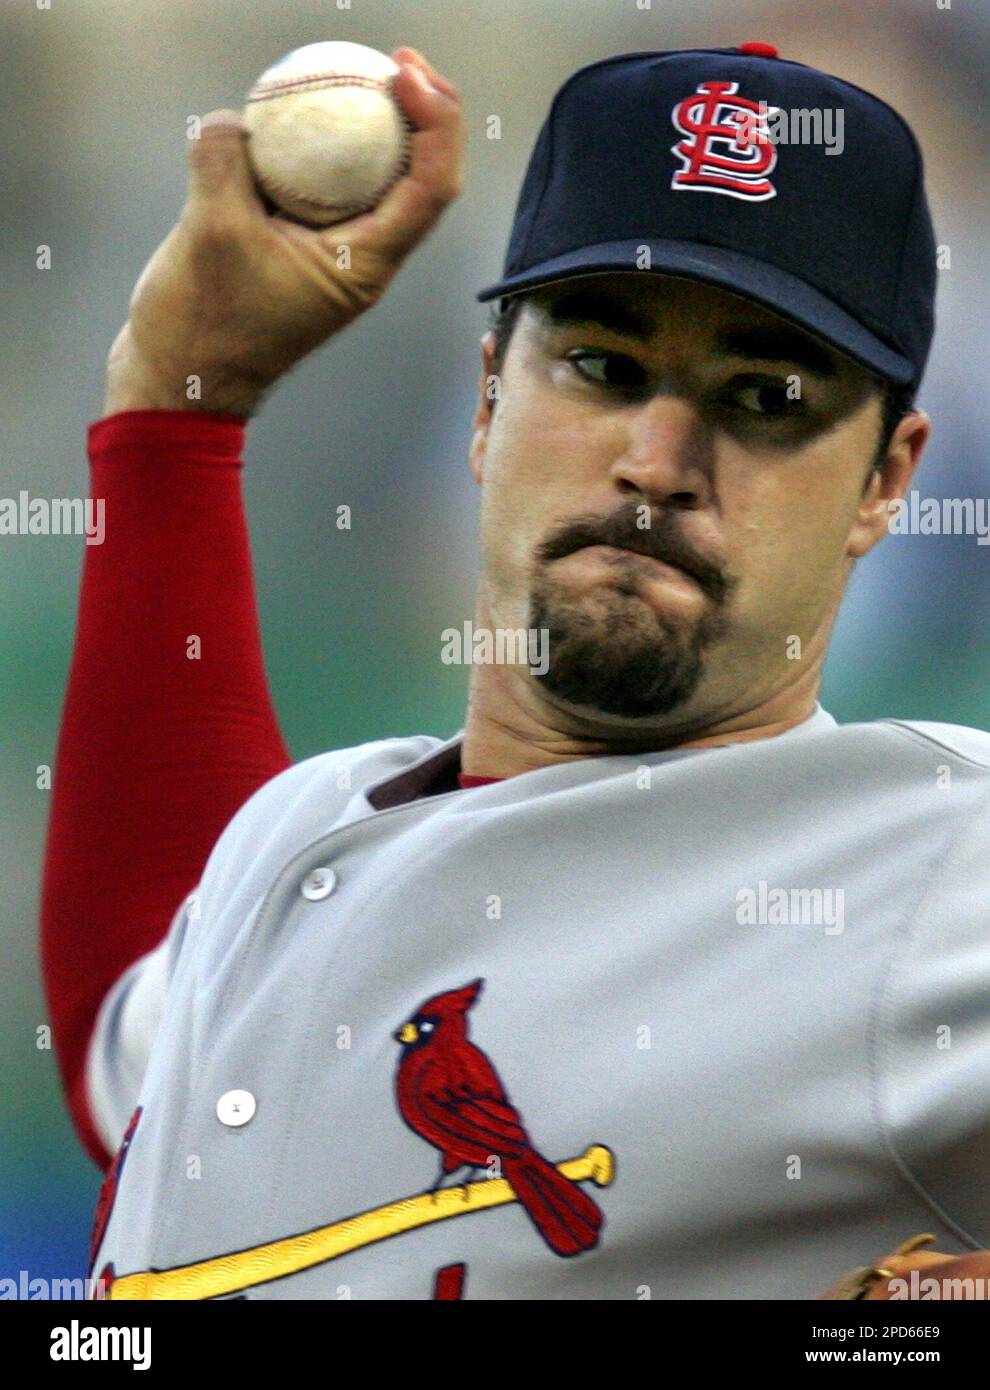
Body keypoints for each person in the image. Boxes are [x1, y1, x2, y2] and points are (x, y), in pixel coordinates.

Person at [42, 43, 990, 1300]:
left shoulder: (932, 857)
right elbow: (130, 1028)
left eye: (761, 395)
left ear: (885, 482)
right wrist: (175, 400)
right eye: (603, 366)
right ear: (488, 401)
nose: (660, 458)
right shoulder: (293, 831)